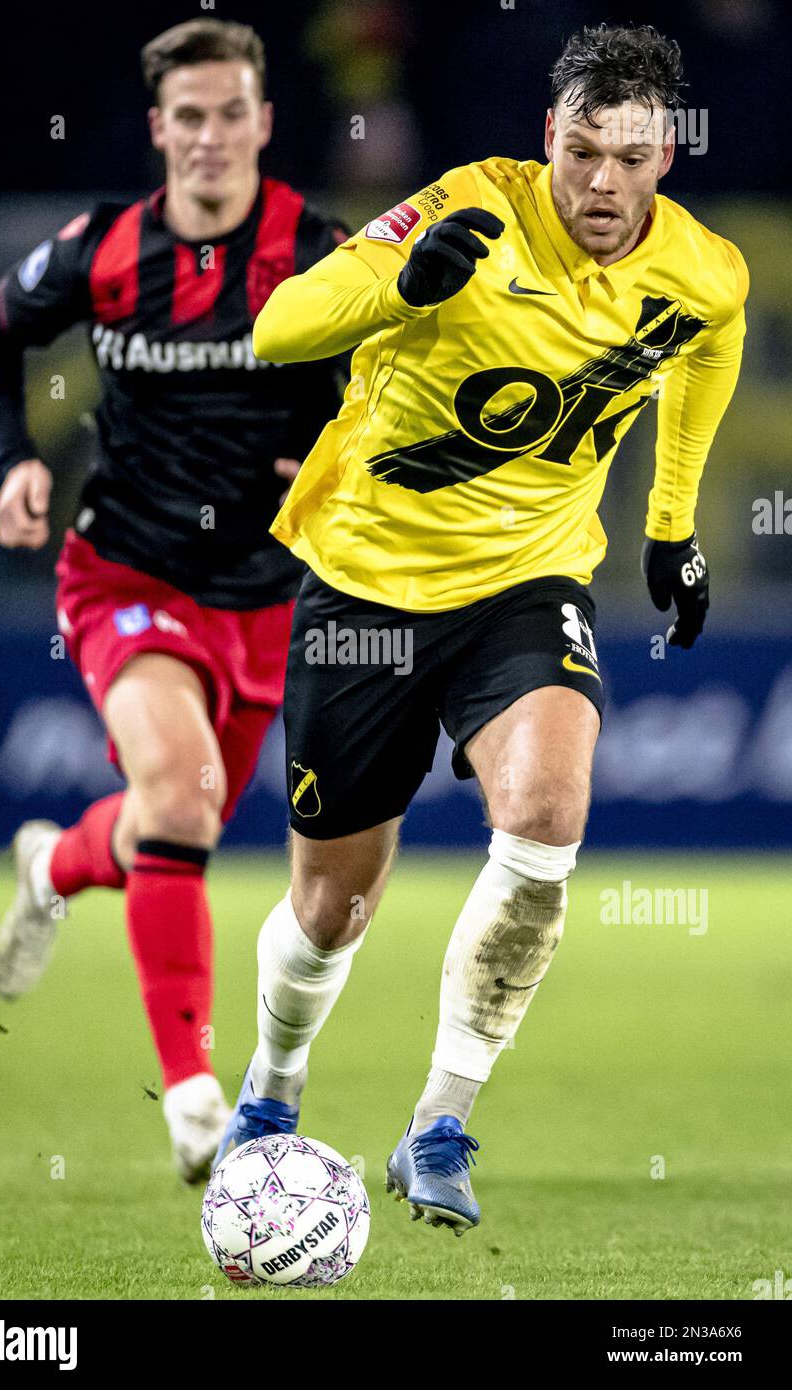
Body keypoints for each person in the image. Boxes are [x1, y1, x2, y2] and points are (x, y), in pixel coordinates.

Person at [212, 23, 748, 1235]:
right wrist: (397, 288)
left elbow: (707, 354)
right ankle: (273, 1084)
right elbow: (281, 324)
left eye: (628, 156)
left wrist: (668, 526)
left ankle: (438, 1124)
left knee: (548, 812)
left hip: (528, 581)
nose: (600, 184)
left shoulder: (703, 269)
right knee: (329, 906)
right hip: (362, 585)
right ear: (545, 140)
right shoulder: (465, 211)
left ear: (665, 154)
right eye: (579, 153)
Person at [0, 18, 348, 1181]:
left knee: (163, 827)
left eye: (232, 112)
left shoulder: (318, 251)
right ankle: (191, 1094)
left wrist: (334, 459)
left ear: (264, 123)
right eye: (189, 116)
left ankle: (53, 865)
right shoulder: (105, 247)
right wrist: (14, 459)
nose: (211, 137)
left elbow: (386, 383)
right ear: (159, 130)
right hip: (127, 574)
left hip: (265, 599)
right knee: (178, 813)